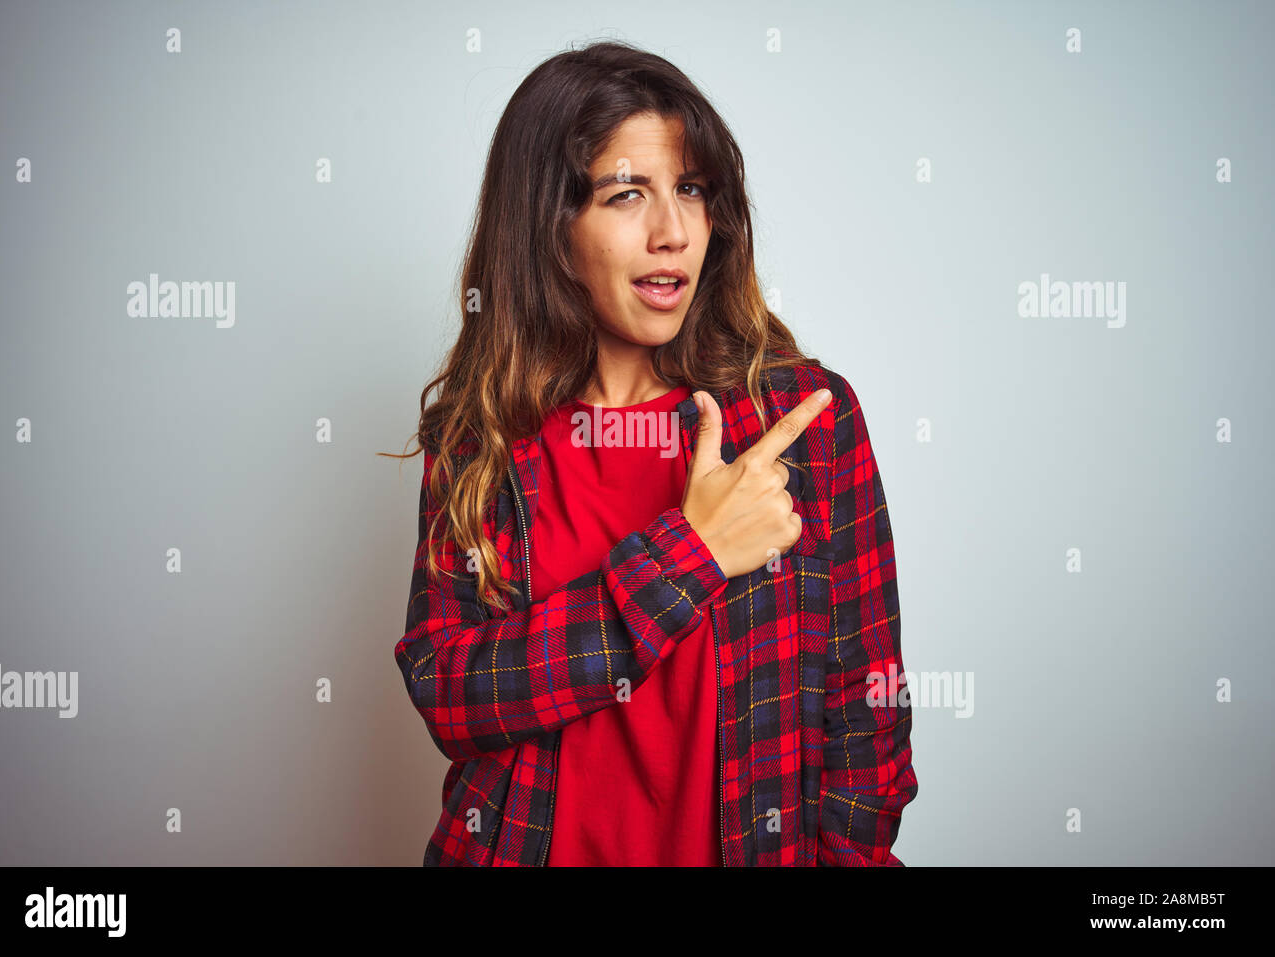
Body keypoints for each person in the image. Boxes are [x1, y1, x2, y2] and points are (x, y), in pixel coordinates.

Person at [386, 40, 917, 866]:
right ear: (551, 228)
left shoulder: (801, 418)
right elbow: (451, 696)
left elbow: (867, 706)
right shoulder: (481, 435)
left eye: (692, 190)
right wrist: (691, 555)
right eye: (626, 194)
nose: (673, 232)